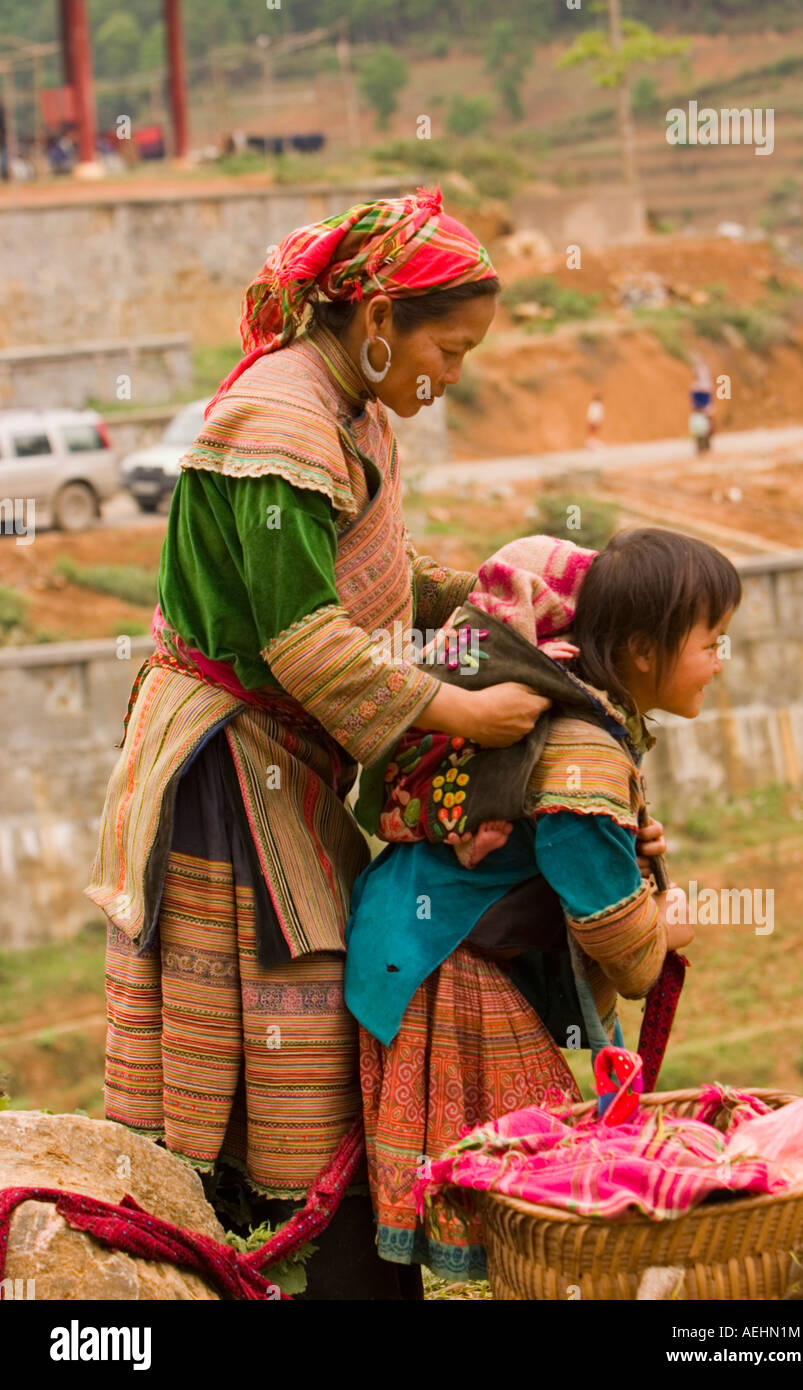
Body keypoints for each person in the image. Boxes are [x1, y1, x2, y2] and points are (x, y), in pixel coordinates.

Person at [85, 186, 552, 1300]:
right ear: (380, 316)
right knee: (278, 1019)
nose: (454, 372)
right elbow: (301, 636)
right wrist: (460, 712)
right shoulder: (280, 424)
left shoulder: (352, 407)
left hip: (285, 762)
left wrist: (467, 593)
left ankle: (304, 1250)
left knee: (298, 1020)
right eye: (452, 344)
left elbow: (365, 580)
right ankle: (255, 1247)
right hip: (225, 767)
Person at [344, 527, 741, 1278]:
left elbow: (572, 858)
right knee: (543, 1203)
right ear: (641, 651)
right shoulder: (586, 751)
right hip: (440, 967)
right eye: (711, 642)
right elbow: (625, 957)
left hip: (414, 943)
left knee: (525, 1188)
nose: (721, 662)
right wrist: (665, 927)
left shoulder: (580, 721)